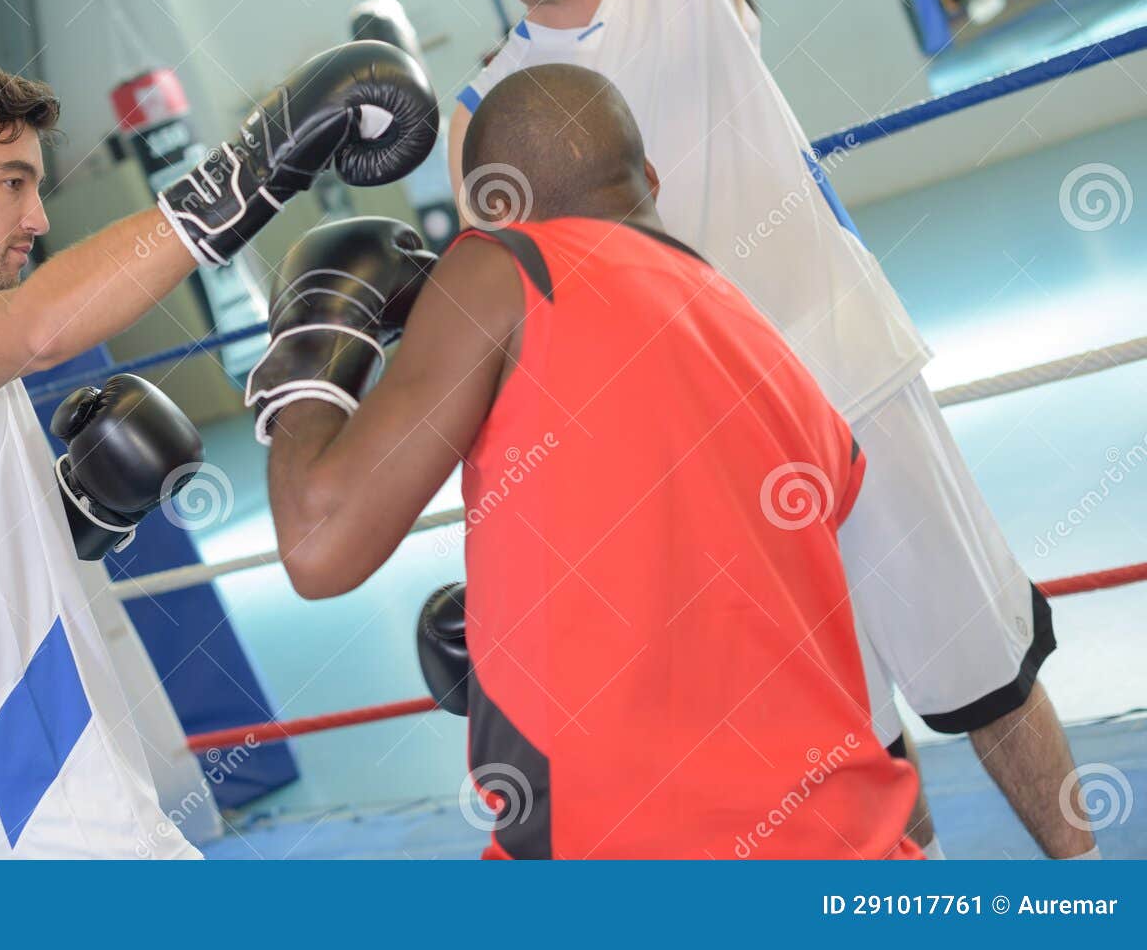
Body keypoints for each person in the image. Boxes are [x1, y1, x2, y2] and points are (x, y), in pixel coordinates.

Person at [443, 0, 1093, 859]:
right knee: (847, 761)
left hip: (851, 378)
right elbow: (514, 336)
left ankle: (1090, 899)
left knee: (992, 681)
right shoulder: (484, 115)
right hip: (717, 470)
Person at [258, 63, 919, 859]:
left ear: (493, 212)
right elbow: (710, 541)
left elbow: (319, 545)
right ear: (646, 180)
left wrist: (308, 344)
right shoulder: (757, 337)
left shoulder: (504, 266)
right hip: (848, 839)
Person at [0, 46, 437, 858]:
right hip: (48, 837)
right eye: (12, 182)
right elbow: (38, 328)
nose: (37, 218)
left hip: (4, 830)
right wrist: (256, 168)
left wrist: (80, 511)